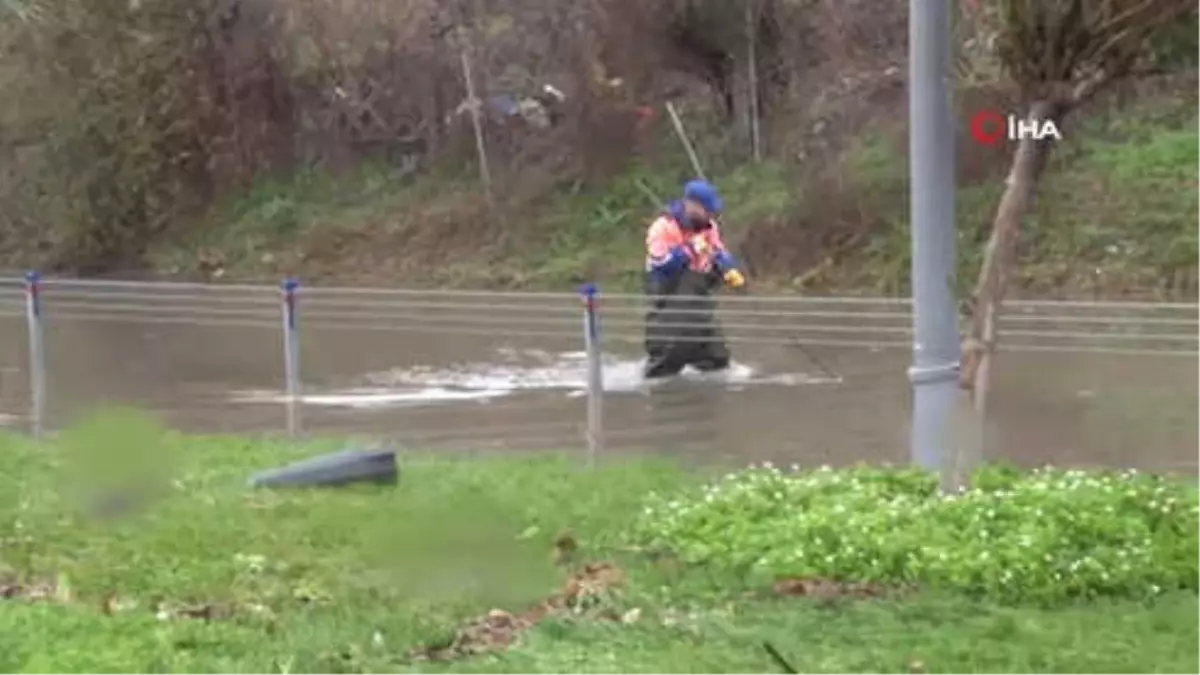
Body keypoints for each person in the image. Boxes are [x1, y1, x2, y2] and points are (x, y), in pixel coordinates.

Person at [643, 179, 746, 379]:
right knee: (666, 364)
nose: (711, 215)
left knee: (718, 359)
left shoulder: (709, 227)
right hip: (669, 300)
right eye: (707, 209)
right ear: (692, 205)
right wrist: (689, 249)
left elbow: (718, 251)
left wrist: (728, 267)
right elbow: (660, 264)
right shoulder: (662, 227)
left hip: (700, 301)